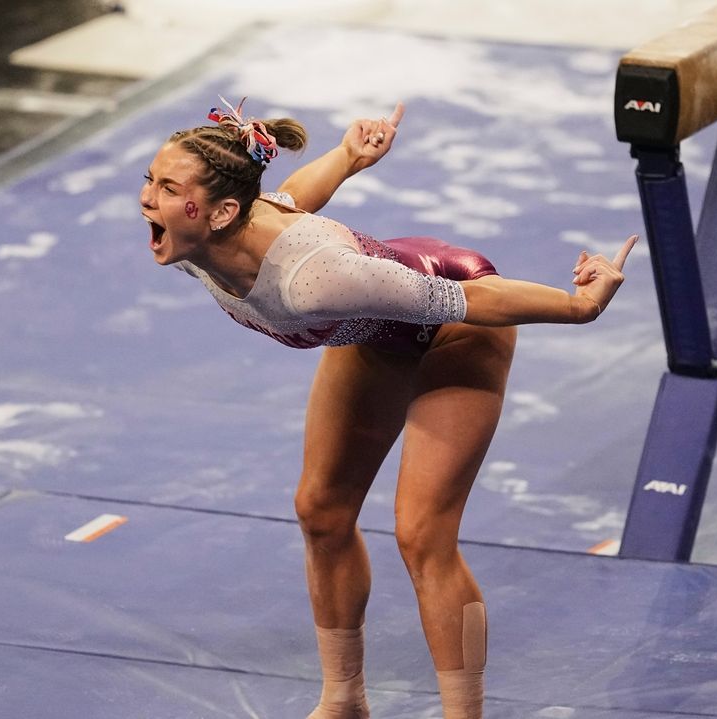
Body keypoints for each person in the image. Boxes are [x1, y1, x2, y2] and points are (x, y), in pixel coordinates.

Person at [139, 96, 637, 719]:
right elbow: (289, 202)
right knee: (321, 512)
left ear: (219, 211)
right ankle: (344, 700)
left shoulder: (314, 279)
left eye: (165, 186)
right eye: (149, 181)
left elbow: (464, 297)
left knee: (423, 534)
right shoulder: (200, 246)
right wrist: (347, 156)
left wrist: (575, 307)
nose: (146, 199)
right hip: (375, 329)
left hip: (454, 322)